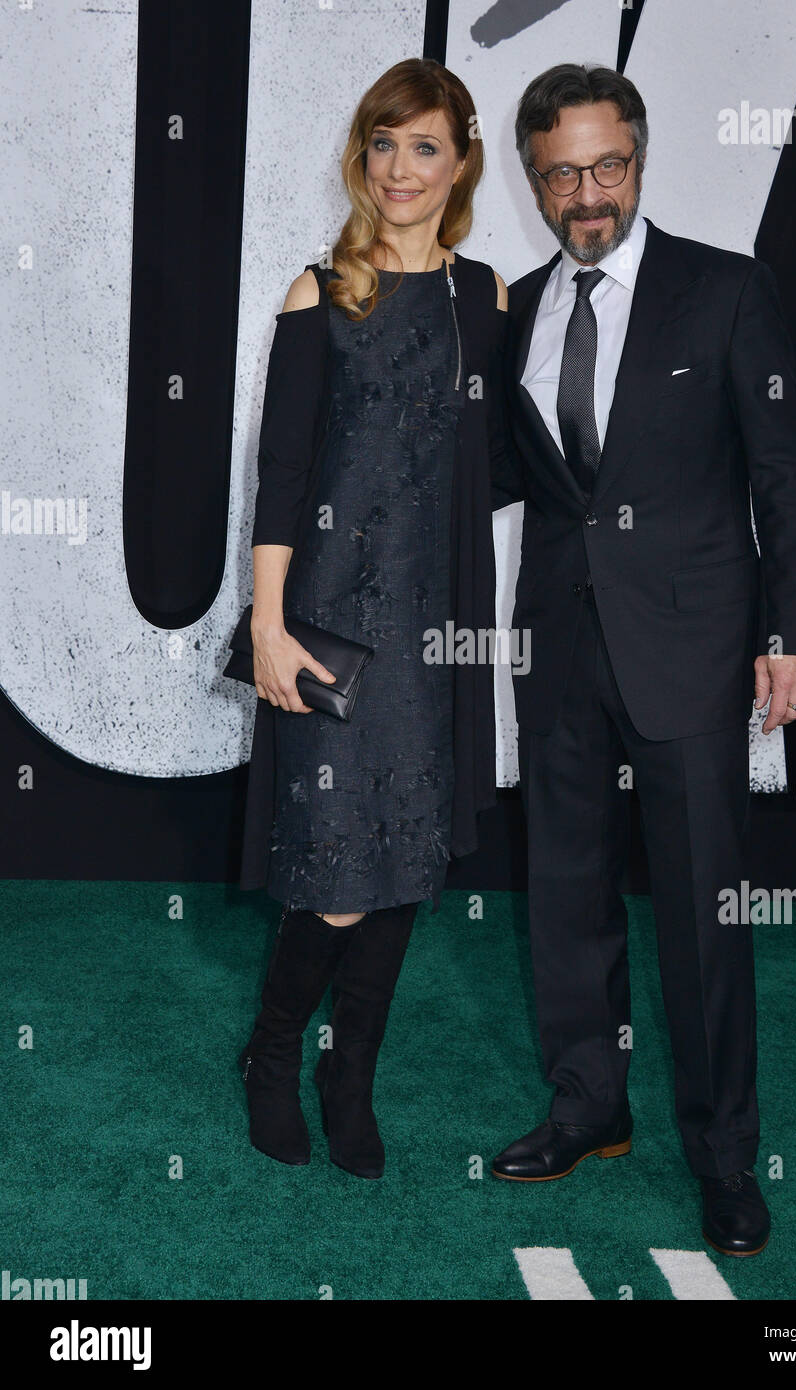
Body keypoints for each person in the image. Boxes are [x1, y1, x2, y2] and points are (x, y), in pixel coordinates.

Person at [490, 63, 796, 1256]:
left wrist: (792, 633)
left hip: (692, 648)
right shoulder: (515, 307)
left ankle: (727, 1159)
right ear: (534, 180)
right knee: (566, 895)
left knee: (700, 917)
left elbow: (784, 473)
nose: (590, 193)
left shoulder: (726, 290)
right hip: (560, 647)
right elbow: (500, 480)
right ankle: (588, 1106)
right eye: (563, 173)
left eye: (610, 164)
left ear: (641, 156)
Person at [236, 57, 509, 1179]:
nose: (401, 169)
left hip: (437, 629)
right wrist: (265, 624)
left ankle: (351, 1083)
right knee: (337, 874)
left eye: (425, 146)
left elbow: (504, 466)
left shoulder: (484, 297)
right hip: (331, 621)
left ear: (460, 162)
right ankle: (268, 1055)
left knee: (404, 867)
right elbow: (283, 471)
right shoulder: (319, 292)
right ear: (363, 159)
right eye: (384, 145)